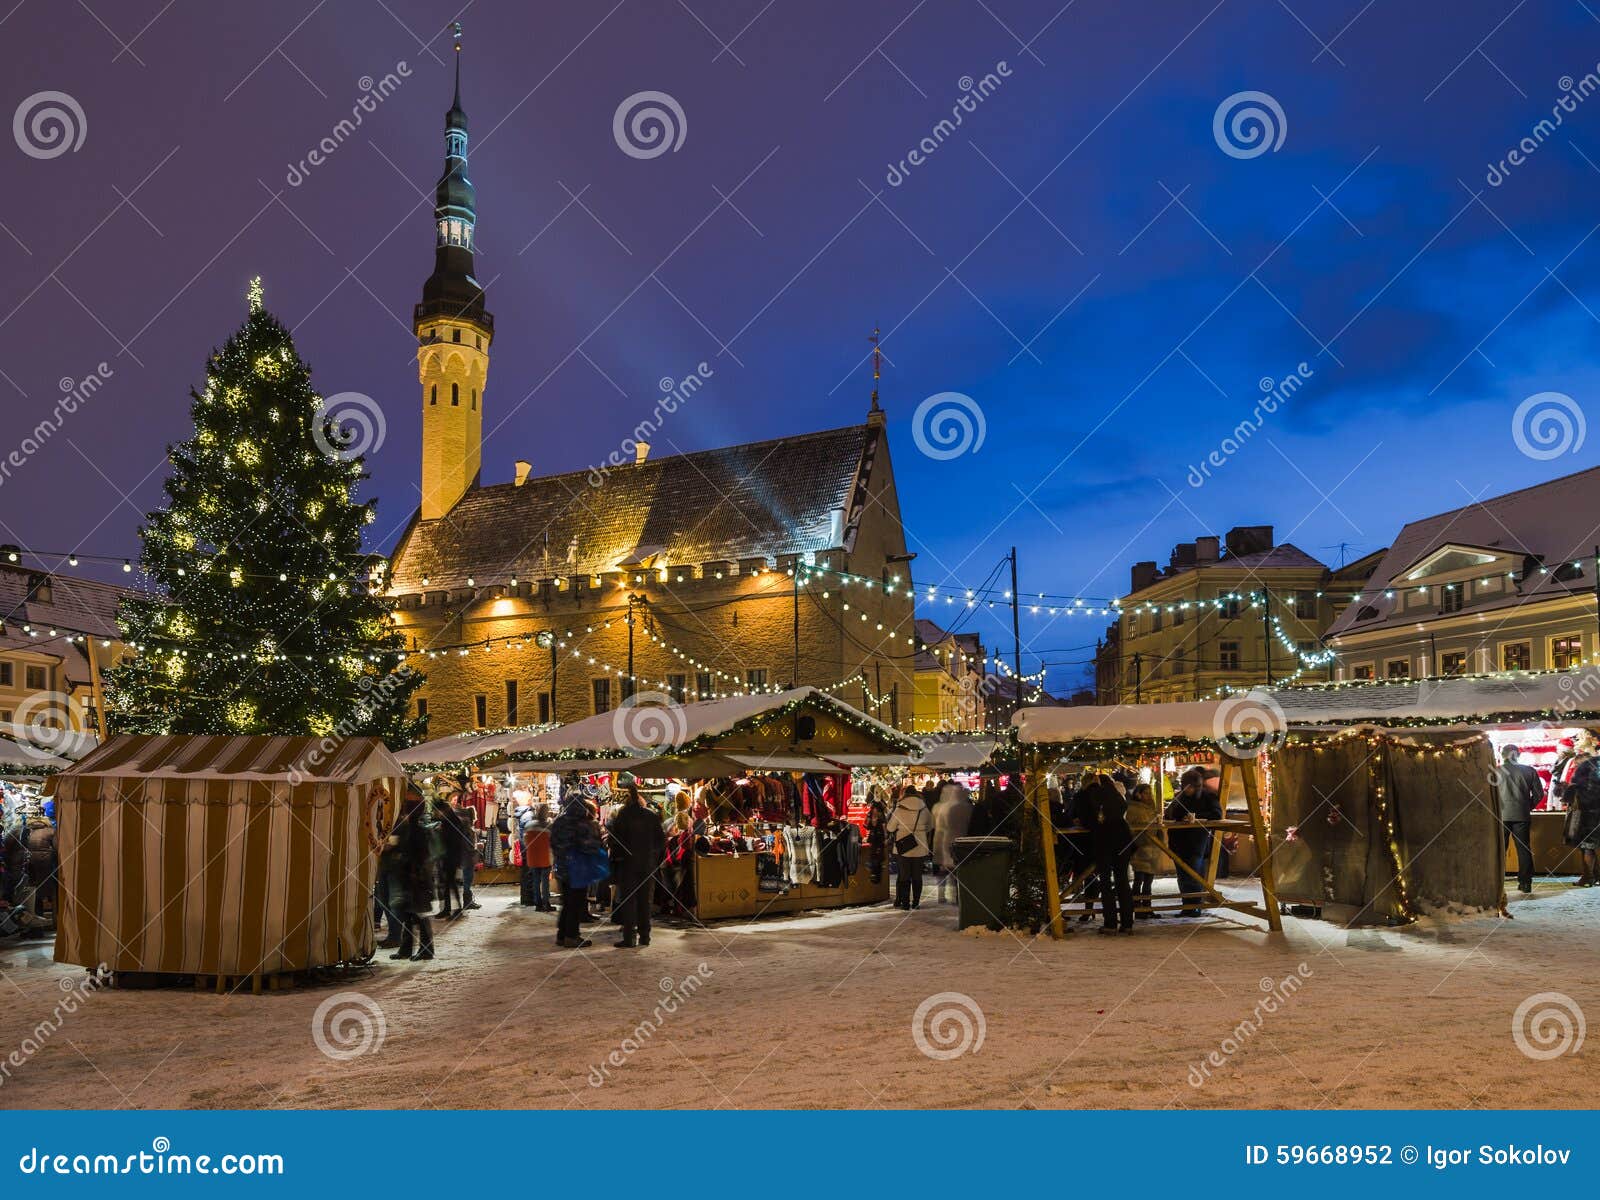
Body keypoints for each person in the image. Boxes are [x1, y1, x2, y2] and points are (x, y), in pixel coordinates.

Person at [607, 783, 667, 948]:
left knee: (629, 902)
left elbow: (615, 841)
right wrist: (653, 857)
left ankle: (629, 938)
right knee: (644, 902)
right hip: (647, 864)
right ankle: (645, 936)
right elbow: (661, 841)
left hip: (628, 865)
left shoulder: (623, 816)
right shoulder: (651, 816)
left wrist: (618, 857)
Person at [1077, 774, 1134, 934]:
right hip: (1123, 837)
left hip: (1104, 839)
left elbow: (1086, 819)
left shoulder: (1090, 795)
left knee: (1105, 881)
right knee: (1122, 879)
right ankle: (1127, 923)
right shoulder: (1116, 796)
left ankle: (1110, 923)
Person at [551, 794, 605, 948]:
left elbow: (553, 843)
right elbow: (591, 846)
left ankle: (562, 935)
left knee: (567, 903)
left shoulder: (559, 822)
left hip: (562, 869)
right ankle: (571, 936)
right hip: (579, 870)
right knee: (575, 903)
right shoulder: (583, 824)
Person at [388, 789, 436, 961]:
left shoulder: (416, 828)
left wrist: (412, 868)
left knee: (418, 914)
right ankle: (407, 948)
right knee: (410, 914)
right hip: (411, 875)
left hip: (416, 876)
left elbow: (419, 853)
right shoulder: (410, 827)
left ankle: (426, 949)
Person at [1165, 768, 1220, 917]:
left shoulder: (1208, 797)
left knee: (1194, 874)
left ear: (1197, 786)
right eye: (1185, 785)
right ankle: (1187, 905)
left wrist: (1197, 817)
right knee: (1182, 876)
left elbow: (1217, 814)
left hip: (1197, 841)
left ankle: (1196, 905)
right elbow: (1171, 814)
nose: (1187, 789)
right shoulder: (1179, 797)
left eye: (1190, 786)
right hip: (1178, 841)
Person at [1496, 745, 1542, 895]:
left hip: (1500, 816)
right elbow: (1539, 794)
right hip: (1522, 814)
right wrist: (1528, 806)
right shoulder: (1529, 771)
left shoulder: (1495, 771)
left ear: (1503, 755)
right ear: (1518, 755)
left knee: (1499, 850)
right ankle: (1525, 882)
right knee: (1523, 849)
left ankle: (1497, 882)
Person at [886, 785, 932, 910]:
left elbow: (890, 828)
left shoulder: (900, 808)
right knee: (917, 876)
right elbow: (931, 825)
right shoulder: (924, 808)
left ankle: (905, 903)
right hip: (920, 846)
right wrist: (920, 831)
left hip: (903, 847)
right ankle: (916, 902)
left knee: (904, 875)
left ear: (905, 794)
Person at [1125, 782, 1164, 919]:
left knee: (1148, 881)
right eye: (1146, 793)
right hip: (1140, 849)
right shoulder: (1133, 809)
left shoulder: (1152, 809)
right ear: (1138, 794)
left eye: (1150, 793)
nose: (1149, 796)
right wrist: (1139, 843)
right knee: (1138, 880)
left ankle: (1147, 907)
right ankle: (1136, 907)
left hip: (1152, 848)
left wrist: (1161, 841)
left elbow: (1157, 827)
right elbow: (1132, 829)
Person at [932, 780, 973, 904]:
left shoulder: (938, 807)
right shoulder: (966, 807)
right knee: (955, 870)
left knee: (943, 870)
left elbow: (935, 824)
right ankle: (956, 895)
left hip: (941, 840)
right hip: (959, 840)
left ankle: (941, 894)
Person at [1566, 736, 1600, 887]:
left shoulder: (1580, 780)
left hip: (1587, 817)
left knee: (1587, 847)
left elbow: (1567, 797)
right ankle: (1595, 876)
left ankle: (1588, 877)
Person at [435, 796, 468, 919]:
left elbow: (453, 840)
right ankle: (449, 908)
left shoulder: (450, 821)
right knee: (448, 883)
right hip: (448, 856)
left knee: (450, 883)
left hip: (451, 856)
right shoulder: (448, 820)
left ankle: (456, 909)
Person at [524, 801, 554, 911]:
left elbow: (525, 841)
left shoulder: (529, 825)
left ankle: (538, 904)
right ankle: (546, 903)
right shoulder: (548, 826)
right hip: (545, 857)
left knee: (536, 880)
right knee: (545, 881)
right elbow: (552, 841)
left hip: (532, 857)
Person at [864, 798, 888, 884]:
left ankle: (876, 875)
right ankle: (874, 875)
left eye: (876, 809)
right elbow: (866, 825)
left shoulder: (881, 816)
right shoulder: (871, 814)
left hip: (878, 838)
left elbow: (884, 827)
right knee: (875, 857)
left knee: (877, 858)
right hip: (874, 838)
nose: (875, 811)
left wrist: (885, 838)